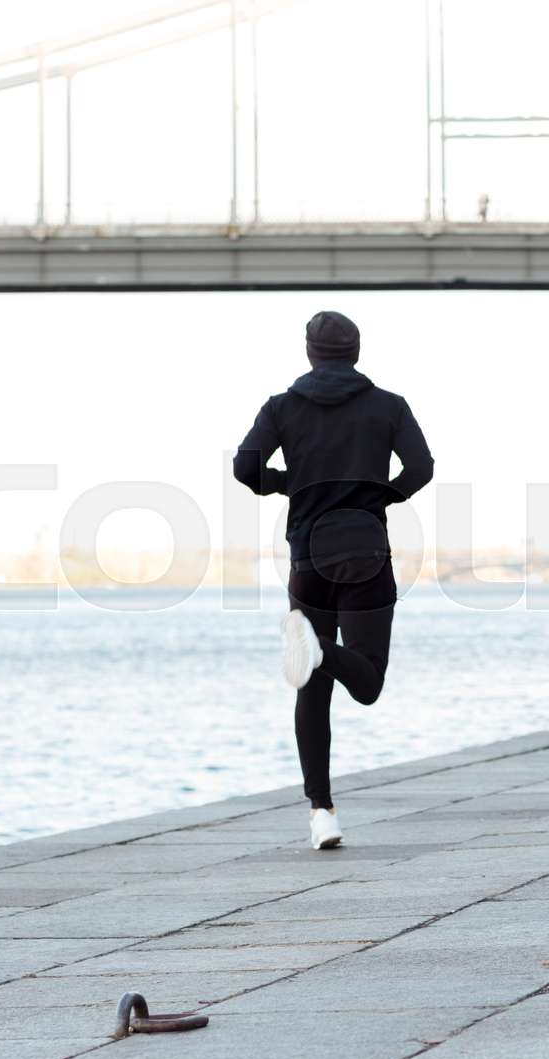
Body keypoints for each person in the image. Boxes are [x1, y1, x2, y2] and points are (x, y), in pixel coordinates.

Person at [233, 311, 434, 850]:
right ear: (356, 351)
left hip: (307, 558)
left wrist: (290, 483)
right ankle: (320, 651)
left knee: (312, 688)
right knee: (366, 683)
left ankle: (322, 813)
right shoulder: (388, 406)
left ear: (310, 352)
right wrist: (378, 496)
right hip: (366, 550)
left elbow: (244, 468)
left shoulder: (281, 407)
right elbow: (421, 467)